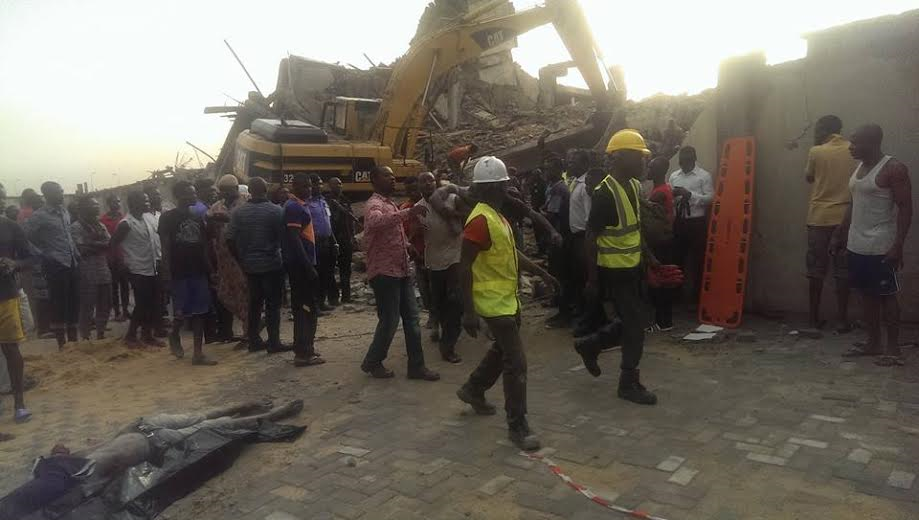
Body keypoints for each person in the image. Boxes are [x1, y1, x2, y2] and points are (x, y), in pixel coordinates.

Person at [0, 399, 303, 519]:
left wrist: (63, 453)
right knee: (210, 426)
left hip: (140, 427)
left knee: (203, 418)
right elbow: (106, 475)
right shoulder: (73, 481)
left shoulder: (63, 471)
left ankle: (249, 406)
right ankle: (269, 414)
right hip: (151, 440)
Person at [455, 156, 559, 451]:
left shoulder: (495, 216)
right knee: (517, 361)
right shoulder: (480, 220)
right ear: (491, 189)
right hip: (491, 305)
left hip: (507, 300)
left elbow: (511, 253)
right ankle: (517, 425)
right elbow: (464, 267)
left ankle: (473, 389)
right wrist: (469, 312)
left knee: (502, 351)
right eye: (503, 186)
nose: (508, 190)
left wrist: (541, 272)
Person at [578, 129, 658, 405]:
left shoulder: (634, 187)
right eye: (640, 157)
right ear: (621, 157)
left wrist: (648, 256)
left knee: (635, 321)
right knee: (636, 325)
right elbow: (591, 236)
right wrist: (593, 280)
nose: (644, 163)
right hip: (614, 271)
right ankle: (628, 382)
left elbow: (634, 228)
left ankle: (591, 344)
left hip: (633, 266)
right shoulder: (605, 193)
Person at [833, 124, 912, 366]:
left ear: (873, 142)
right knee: (866, 295)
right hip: (857, 244)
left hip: (881, 245)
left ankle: (893, 349)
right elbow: (853, 203)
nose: (851, 147)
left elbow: (906, 209)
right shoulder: (859, 168)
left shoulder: (894, 168)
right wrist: (840, 233)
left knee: (887, 295)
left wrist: (898, 245)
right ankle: (874, 343)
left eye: (856, 143)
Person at [360, 166, 439, 381]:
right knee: (390, 320)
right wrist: (408, 212)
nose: (393, 179)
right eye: (387, 175)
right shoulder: (374, 205)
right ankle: (372, 361)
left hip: (400, 269)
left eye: (393, 176)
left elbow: (394, 231)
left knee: (412, 319)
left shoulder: (389, 204)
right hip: (385, 272)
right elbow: (376, 223)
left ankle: (417, 367)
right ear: (374, 179)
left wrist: (407, 245)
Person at [804, 115, 857, 332]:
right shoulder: (853, 149)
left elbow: (809, 177)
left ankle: (813, 319)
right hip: (845, 218)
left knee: (816, 269)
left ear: (822, 129)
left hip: (819, 218)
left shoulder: (816, 151)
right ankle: (842, 320)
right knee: (842, 271)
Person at [227, 177, 287, 354]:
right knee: (273, 305)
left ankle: (254, 341)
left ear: (250, 191)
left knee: (254, 304)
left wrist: (240, 260)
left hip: (250, 266)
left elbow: (229, 239)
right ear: (266, 190)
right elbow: (284, 238)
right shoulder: (276, 211)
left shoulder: (238, 213)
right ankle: (274, 342)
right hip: (272, 264)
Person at [159, 181, 216, 365]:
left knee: (200, 312)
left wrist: (210, 269)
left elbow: (204, 246)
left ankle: (198, 353)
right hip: (179, 270)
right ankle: (174, 334)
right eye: (189, 193)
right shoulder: (167, 218)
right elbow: (165, 247)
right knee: (180, 313)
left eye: (194, 193)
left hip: (198, 269)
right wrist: (166, 273)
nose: (194, 196)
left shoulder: (198, 216)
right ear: (179, 196)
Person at [24, 181, 80, 349]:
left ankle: (73, 342)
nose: (62, 195)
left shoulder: (64, 212)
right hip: (55, 265)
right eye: (58, 192)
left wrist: (75, 253)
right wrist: (43, 255)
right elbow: (25, 239)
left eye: (62, 191)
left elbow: (68, 236)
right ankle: (62, 344)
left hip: (71, 262)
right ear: (47, 195)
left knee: (73, 302)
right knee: (58, 304)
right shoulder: (39, 216)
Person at [415, 171, 463, 363]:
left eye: (430, 180)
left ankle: (448, 346)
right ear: (419, 187)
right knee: (440, 302)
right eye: (423, 181)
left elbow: (467, 216)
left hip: (455, 257)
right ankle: (444, 331)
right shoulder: (417, 208)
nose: (427, 184)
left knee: (454, 300)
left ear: (436, 183)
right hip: (433, 262)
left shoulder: (452, 199)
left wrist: (452, 215)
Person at [110, 192, 164, 348]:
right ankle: (131, 336)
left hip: (152, 266)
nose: (148, 203)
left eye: (148, 201)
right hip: (137, 269)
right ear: (133, 204)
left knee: (152, 303)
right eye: (144, 201)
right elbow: (113, 244)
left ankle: (147, 335)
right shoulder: (126, 224)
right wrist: (122, 264)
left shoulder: (148, 218)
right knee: (141, 304)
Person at [283, 173, 326, 366]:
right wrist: (308, 266)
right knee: (306, 309)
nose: (308, 189)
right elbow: (294, 238)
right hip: (301, 266)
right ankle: (304, 352)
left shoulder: (298, 205)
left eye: (309, 186)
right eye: (304, 186)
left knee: (306, 308)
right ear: (295, 187)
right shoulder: (293, 207)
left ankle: (305, 348)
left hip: (302, 265)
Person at [0, 182, 33, 424]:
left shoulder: (11, 227)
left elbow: (32, 256)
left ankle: (19, 403)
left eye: (1, 198)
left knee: (11, 349)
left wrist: (14, 264)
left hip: (5, 296)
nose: (1, 202)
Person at [207, 175, 248, 344]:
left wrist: (229, 218)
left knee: (245, 294)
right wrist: (210, 221)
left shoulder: (246, 202)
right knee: (225, 294)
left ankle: (249, 333)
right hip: (224, 259)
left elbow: (247, 223)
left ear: (236, 189)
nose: (224, 194)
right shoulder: (216, 207)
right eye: (222, 191)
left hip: (242, 256)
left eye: (227, 190)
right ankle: (250, 324)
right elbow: (209, 230)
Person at [669, 146, 713, 304]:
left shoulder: (704, 176)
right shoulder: (674, 176)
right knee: (677, 259)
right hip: (679, 221)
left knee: (698, 261)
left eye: (687, 161)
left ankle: (698, 299)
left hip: (697, 223)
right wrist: (674, 196)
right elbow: (669, 199)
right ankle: (676, 297)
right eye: (682, 162)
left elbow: (710, 198)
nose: (684, 165)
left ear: (694, 160)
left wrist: (690, 195)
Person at [70, 197, 112, 341]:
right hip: (86, 271)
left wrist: (92, 243)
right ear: (83, 208)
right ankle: (85, 337)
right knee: (87, 305)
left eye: (97, 204)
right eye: (93, 205)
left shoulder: (100, 225)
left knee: (104, 304)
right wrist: (99, 244)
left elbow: (109, 243)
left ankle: (101, 333)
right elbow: (81, 249)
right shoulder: (75, 227)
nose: (97, 207)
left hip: (103, 269)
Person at [646, 157, 677, 331]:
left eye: (651, 167)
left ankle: (662, 321)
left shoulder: (659, 193)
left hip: (660, 242)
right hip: (664, 240)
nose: (648, 170)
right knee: (663, 280)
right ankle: (664, 321)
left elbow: (646, 213)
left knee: (659, 281)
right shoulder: (663, 188)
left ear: (658, 171)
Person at [542, 155, 573, 328]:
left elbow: (551, 214)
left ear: (557, 170)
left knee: (560, 275)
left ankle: (564, 314)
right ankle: (561, 306)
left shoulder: (558, 189)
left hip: (558, 236)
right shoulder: (553, 186)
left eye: (548, 168)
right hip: (557, 235)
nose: (545, 171)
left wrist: (537, 214)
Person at [402, 177, 435, 328]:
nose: (413, 193)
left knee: (438, 290)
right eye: (410, 191)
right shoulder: (405, 210)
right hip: (419, 257)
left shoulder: (432, 205)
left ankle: (437, 319)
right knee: (426, 291)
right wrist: (413, 234)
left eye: (415, 189)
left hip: (435, 255)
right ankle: (433, 315)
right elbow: (402, 236)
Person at [308, 175, 339, 310]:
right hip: (315, 244)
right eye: (316, 184)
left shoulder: (323, 201)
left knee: (326, 274)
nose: (319, 187)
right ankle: (314, 305)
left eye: (321, 184)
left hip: (327, 243)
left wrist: (334, 242)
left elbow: (328, 224)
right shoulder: (306, 203)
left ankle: (322, 301)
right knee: (315, 275)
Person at [327, 177, 358, 304]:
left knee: (346, 269)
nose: (338, 186)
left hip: (346, 240)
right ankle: (333, 298)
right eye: (335, 184)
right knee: (330, 270)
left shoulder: (345, 201)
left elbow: (350, 222)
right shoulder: (327, 201)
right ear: (330, 186)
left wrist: (353, 236)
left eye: (340, 184)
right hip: (332, 240)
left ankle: (346, 296)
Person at [99, 195, 130, 322]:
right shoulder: (103, 220)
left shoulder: (124, 218)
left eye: (118, 201)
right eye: (114, 202)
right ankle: (117, 311)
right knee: (114, 287)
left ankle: (126, 310)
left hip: (124, 256)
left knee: (125, 286)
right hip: (110, 257)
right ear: (108, 204)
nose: (117, 204)